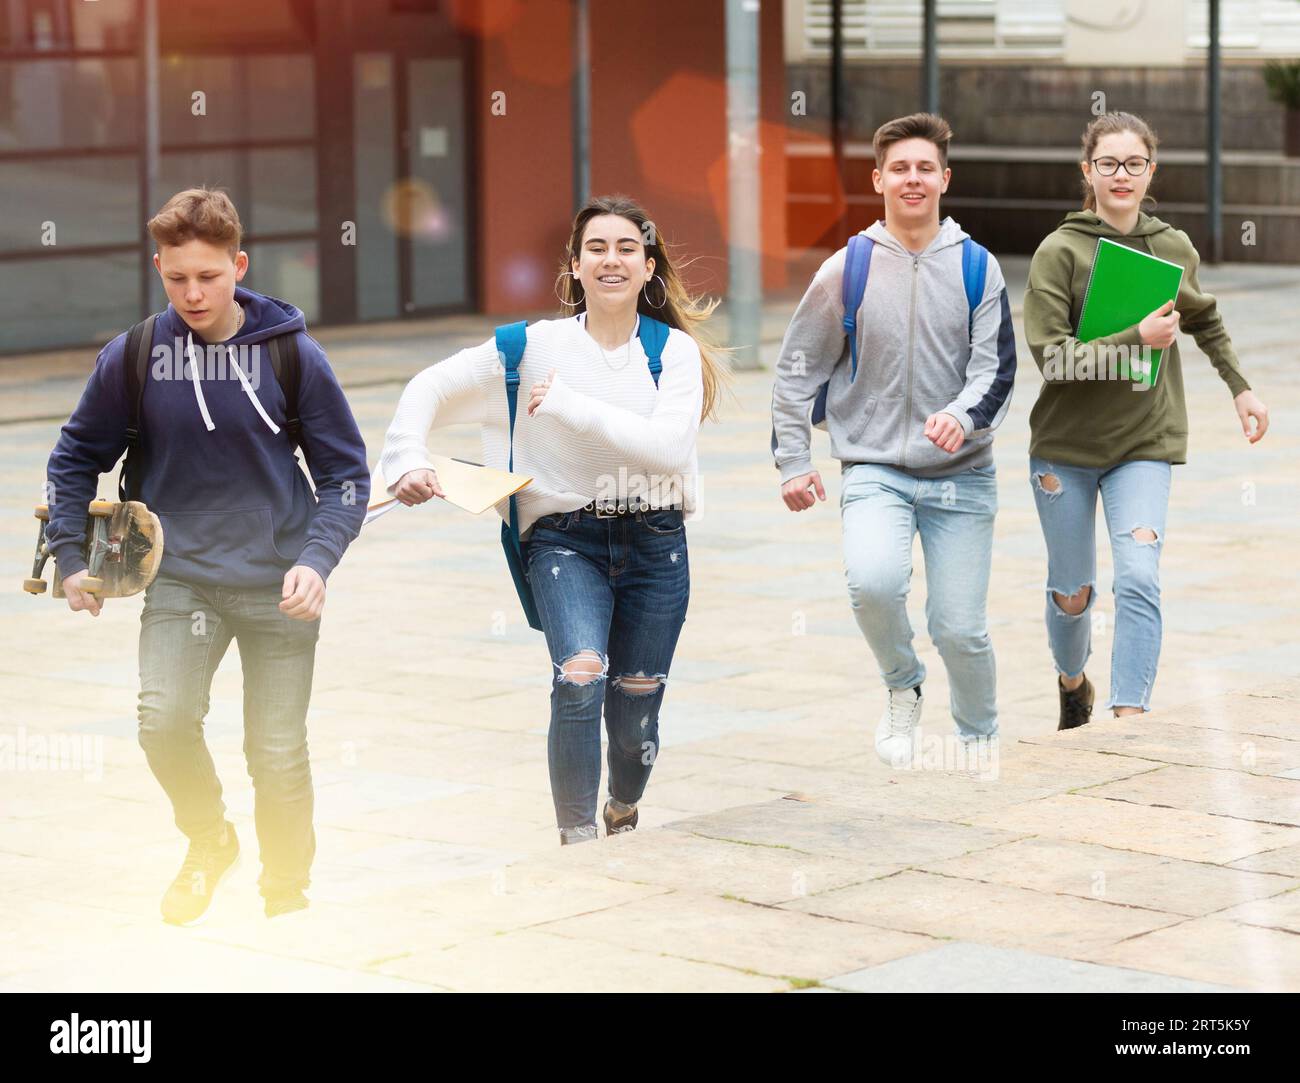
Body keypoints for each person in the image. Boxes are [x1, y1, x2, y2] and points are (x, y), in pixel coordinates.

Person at [44, 187, 370, 922]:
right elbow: (73, 460)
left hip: (277, 585)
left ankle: (286, 896)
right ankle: (209, 837)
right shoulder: (132, 357)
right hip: (178, 577)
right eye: (176, 277)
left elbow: (346, 476)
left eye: (210, 276)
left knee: (277, 752)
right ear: (158, 267)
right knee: (162, 721)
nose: (193, 293)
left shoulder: (292, 356)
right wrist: (70, 557)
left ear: (239, 265)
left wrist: (316, 561)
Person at [380, 194, 728, 844]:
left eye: (627, 247)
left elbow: (667, 448)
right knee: (581, 672)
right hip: (566, 541)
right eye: (596, 247)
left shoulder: (672, 353)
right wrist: (403, 455)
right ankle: (577, 839)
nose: (611, 259)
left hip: (656, 542)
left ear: (649, 266)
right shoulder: (530, 348)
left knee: (636, 700)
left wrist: (570, 405)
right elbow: (428, 385)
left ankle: (623, 803)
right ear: (575, 266)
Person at [771, 113, 1016, 767]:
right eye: (900, 168)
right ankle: (902, 684)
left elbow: (997, 371)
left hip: (962, 474)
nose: (914, 179)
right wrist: (793, 459)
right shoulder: (846, 268)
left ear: (944, 178)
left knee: (960, 627)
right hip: (875, 467)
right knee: (874, 585)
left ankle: (977, 737)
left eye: (925, 168)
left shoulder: (977, 267)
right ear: (878, 179)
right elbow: (797, 367)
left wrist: (961, 417)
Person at [1023, 112, 1268, 728]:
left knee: (1138, 574)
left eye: (1134, 163)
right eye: (1108, 163)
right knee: (1072, 592)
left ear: (1150, 170)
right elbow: (1053, 360)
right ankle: (1072, 680)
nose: (1122, 175)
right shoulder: (1060, 252)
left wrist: (1240, 388)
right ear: (1088, 171)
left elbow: (1205, 318)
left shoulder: (1172, 247)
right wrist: (1138, 337)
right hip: (1065, 448)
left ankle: (1131, 720)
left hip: (1144, 441)